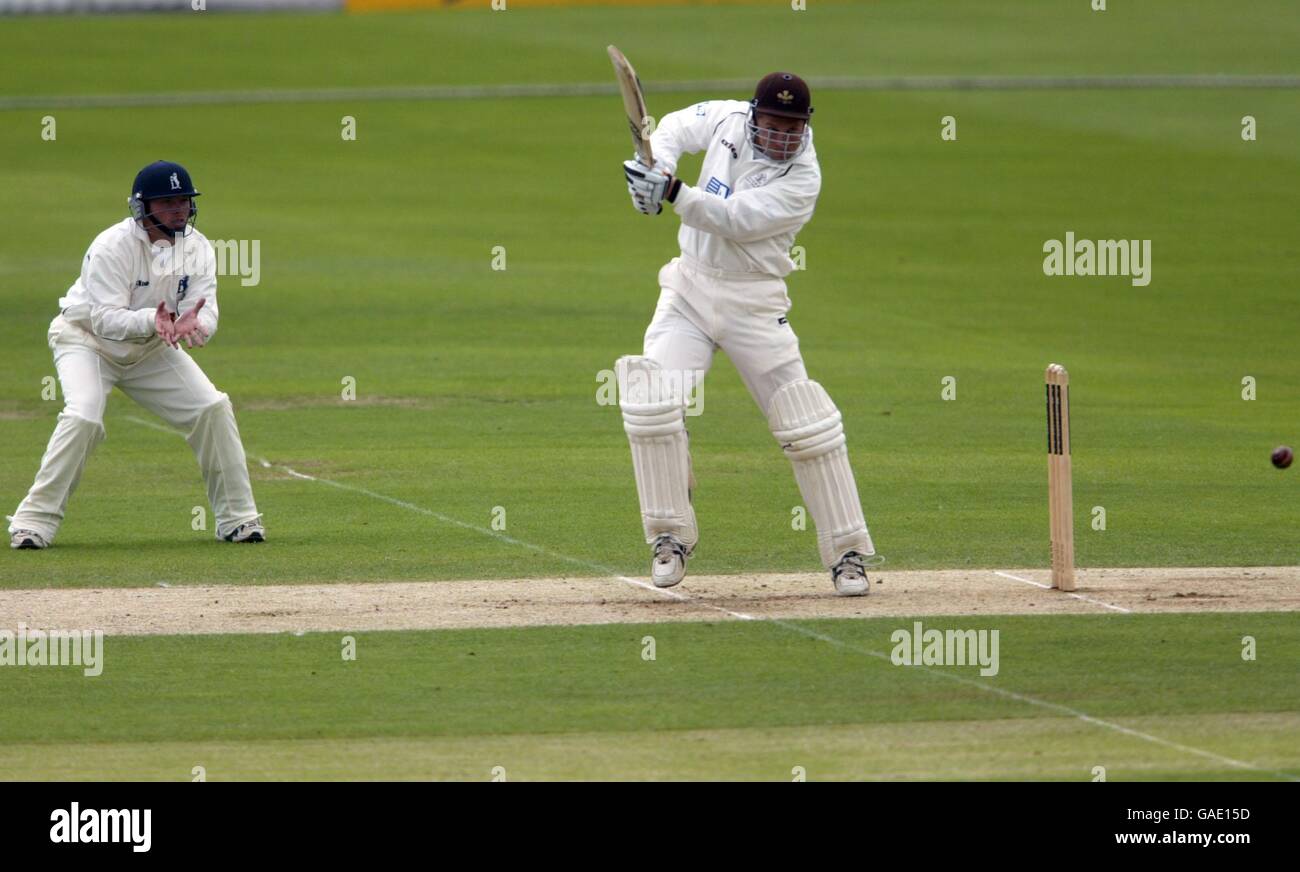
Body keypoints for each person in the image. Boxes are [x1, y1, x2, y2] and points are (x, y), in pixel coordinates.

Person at [618, 73, 876, 596]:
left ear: (805, 127)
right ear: (755, 114)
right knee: (652, 403)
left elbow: (733, 219)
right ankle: (669, 539)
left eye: (793, 127)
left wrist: (669, 191)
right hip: (689, 287)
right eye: (774, 123)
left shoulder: (804, 178)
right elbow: (667, 128)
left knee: (807, 423)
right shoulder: (728, 116)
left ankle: (848, 553)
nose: (782, 135)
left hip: (755, 301)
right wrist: (654, 168)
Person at [8, 160, 264, 549]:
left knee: (212, 407)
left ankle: (239, 519)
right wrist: (153, 321)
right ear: (143, 206)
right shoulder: (111, 246)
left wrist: (196, 326)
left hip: (150, 349)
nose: (179, 209)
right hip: (86, 341)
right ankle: (32, 523)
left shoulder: (197, 246)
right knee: (83, 417)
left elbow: (203, 305)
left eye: (184, 201)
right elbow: (105, 318)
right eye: (168, 202)